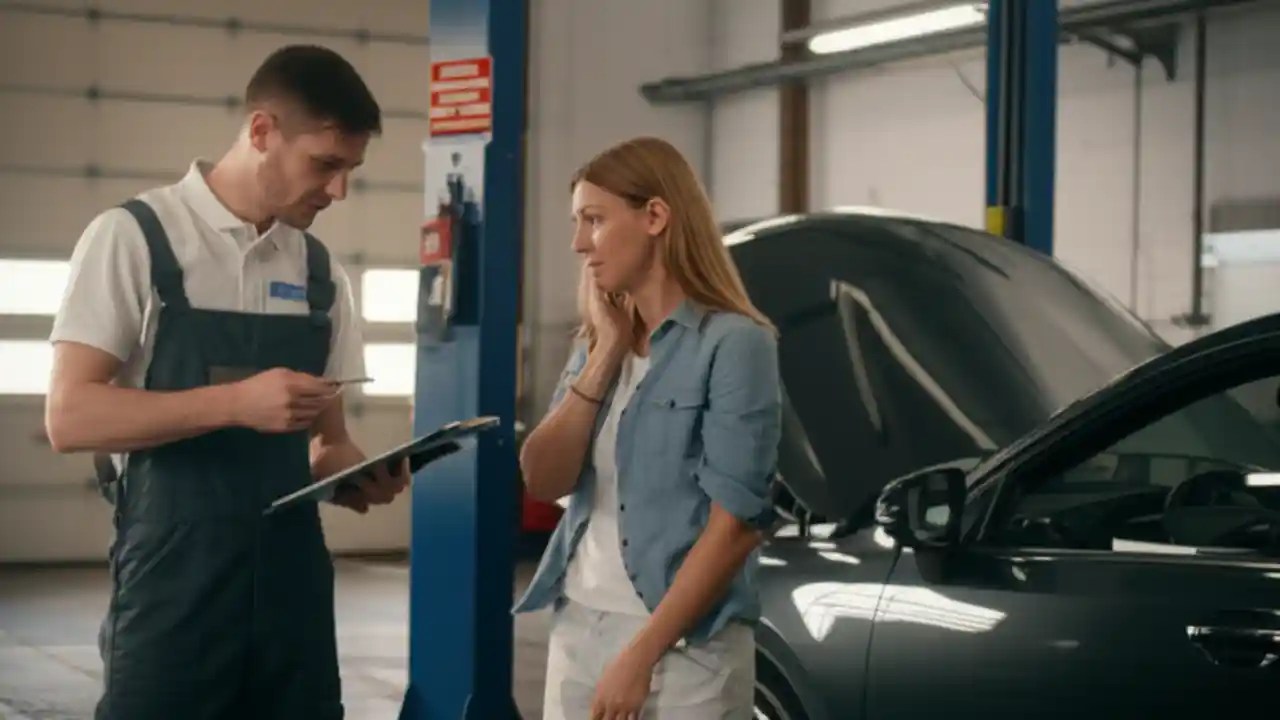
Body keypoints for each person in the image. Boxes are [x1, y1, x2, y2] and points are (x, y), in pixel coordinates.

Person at [44, 45, 408, 720]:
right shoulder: (135, 239)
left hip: (293, 592)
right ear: (262, 131)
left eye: (351, 171)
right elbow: (70, 417)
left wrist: (356, 474)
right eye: (325, 165)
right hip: (173, 583)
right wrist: (236, 403)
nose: (338, 191)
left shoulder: (321, 274)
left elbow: (328, 442)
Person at [513, 136, 782, 719]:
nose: (578, 243)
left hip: (687, 648)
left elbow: (735, 526)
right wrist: (606, 352)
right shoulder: (598, 342)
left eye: (594, 220)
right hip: (579, 623)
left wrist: (640, 656)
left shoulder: (734, 344)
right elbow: (543, 478)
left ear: (655, 216)